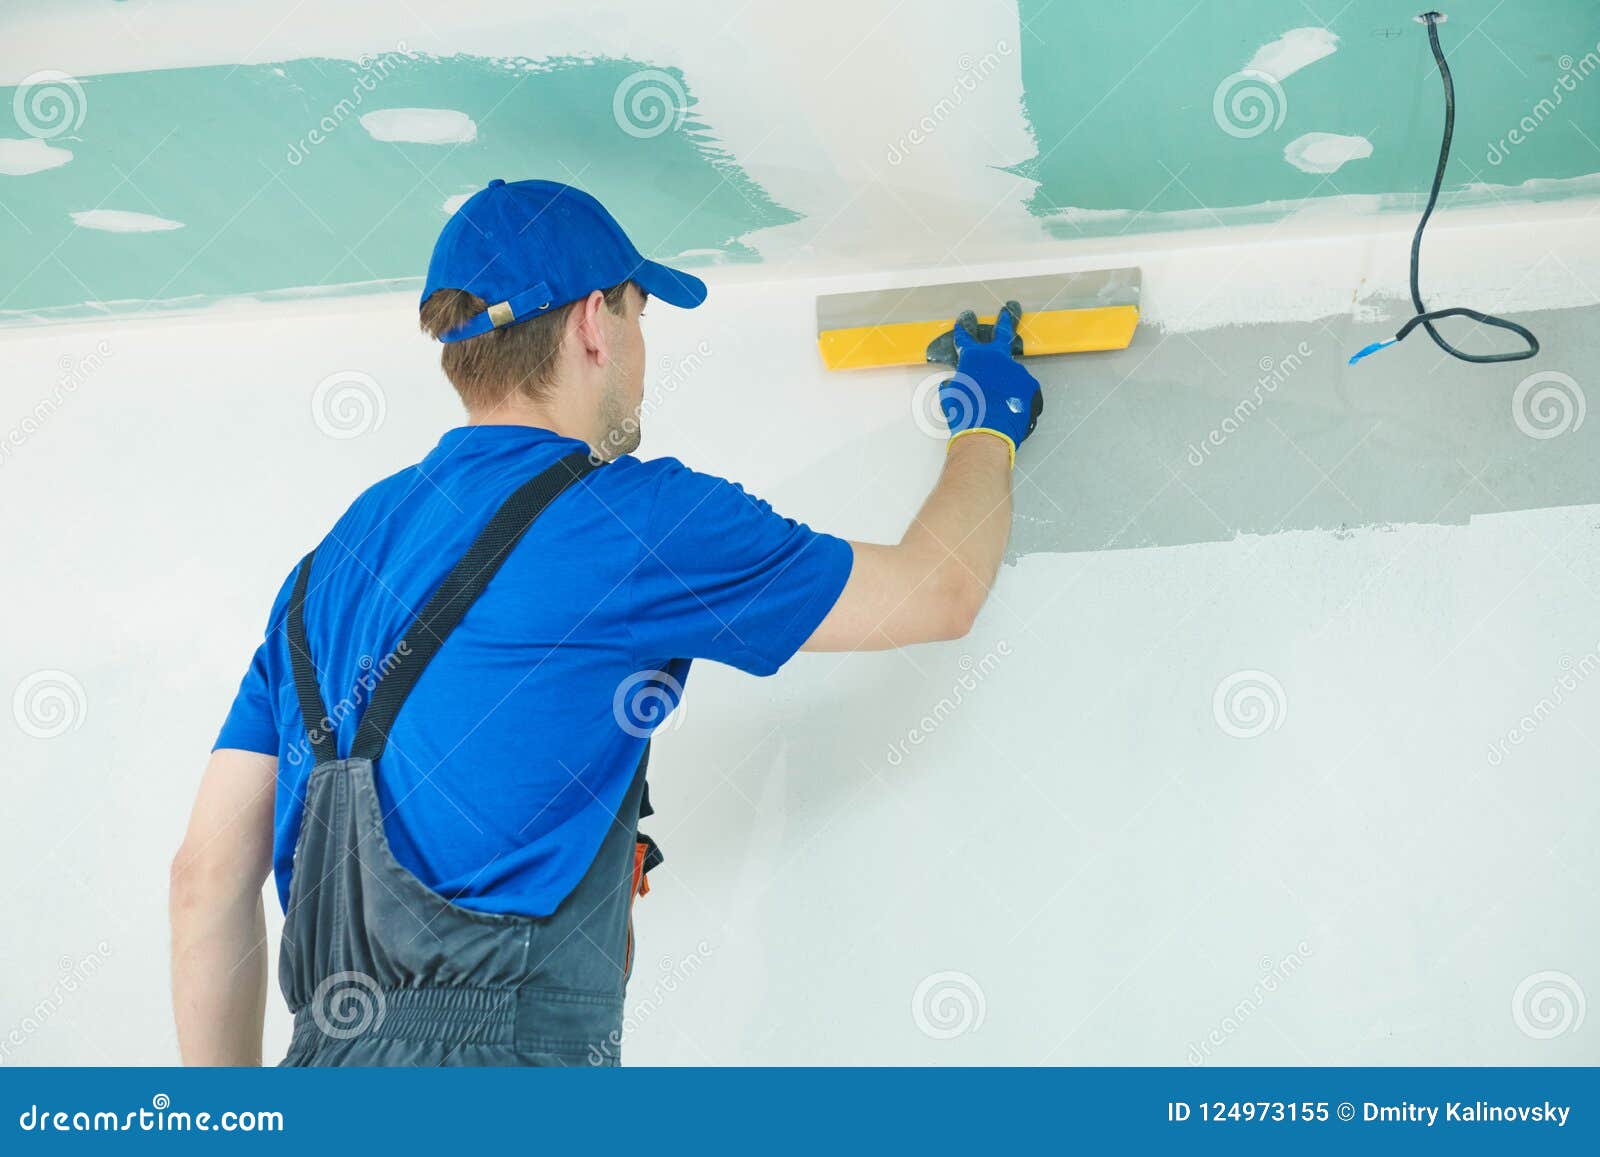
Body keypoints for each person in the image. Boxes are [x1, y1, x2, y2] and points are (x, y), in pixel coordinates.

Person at [168, 178, 1042, 1066]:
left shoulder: (324, 571)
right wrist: (988, 421)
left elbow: (204, 882)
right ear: (594, 322)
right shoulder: (637, 520)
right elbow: (939, 591)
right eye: (640, 316)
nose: (639, 348)